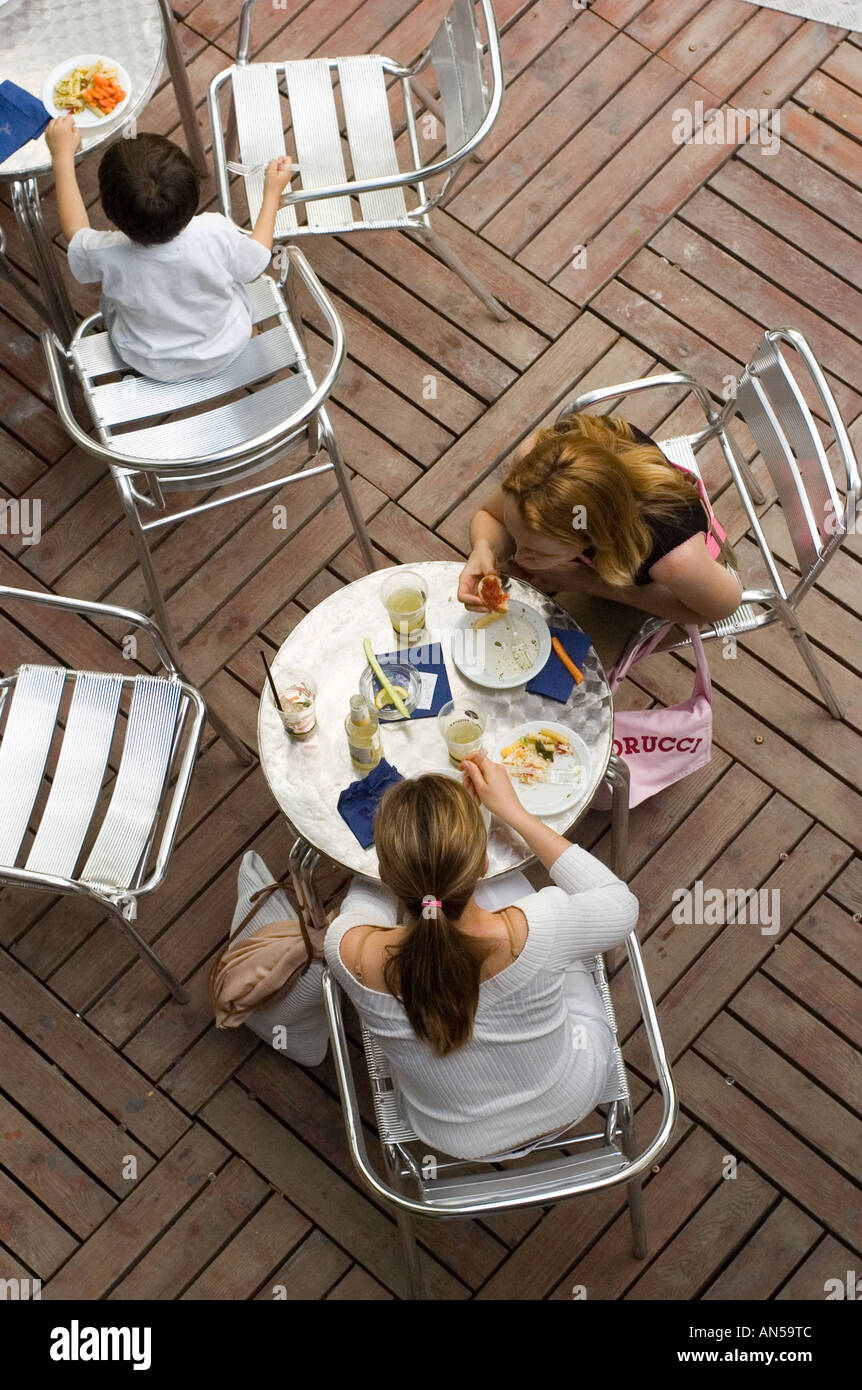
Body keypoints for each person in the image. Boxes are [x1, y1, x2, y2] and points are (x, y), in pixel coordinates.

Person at [324, 754, 639, 1162]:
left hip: (451, 1135)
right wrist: (513, 812)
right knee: (520, 904)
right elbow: (619, 904)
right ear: (485, 861)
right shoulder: (538, 927)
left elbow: (366, 902)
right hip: (569, 1098)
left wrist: (413, 858)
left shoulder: (346, 950)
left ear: (386, 872)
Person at [457, 414, 742, 657]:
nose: (519, 557)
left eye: (537, 550)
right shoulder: (537, 461)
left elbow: (718, 609)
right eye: (519, 538)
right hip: (587, 562)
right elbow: (490, 515)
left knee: (553, 662)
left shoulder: (675, 559)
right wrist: (485, 549)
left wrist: (586, 582)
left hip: (670, 584)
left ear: (595, 539)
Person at [45, 115, 294, 382]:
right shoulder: (213, 231)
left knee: (111, 302)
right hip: (227, 345)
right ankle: (251, 340)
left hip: (150, 361)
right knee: (236, 291)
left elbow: (75, 232)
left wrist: (62, 156)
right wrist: (272, 195)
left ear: (109, 214)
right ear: (192, 198)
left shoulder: (105, 252)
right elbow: (255, 260)